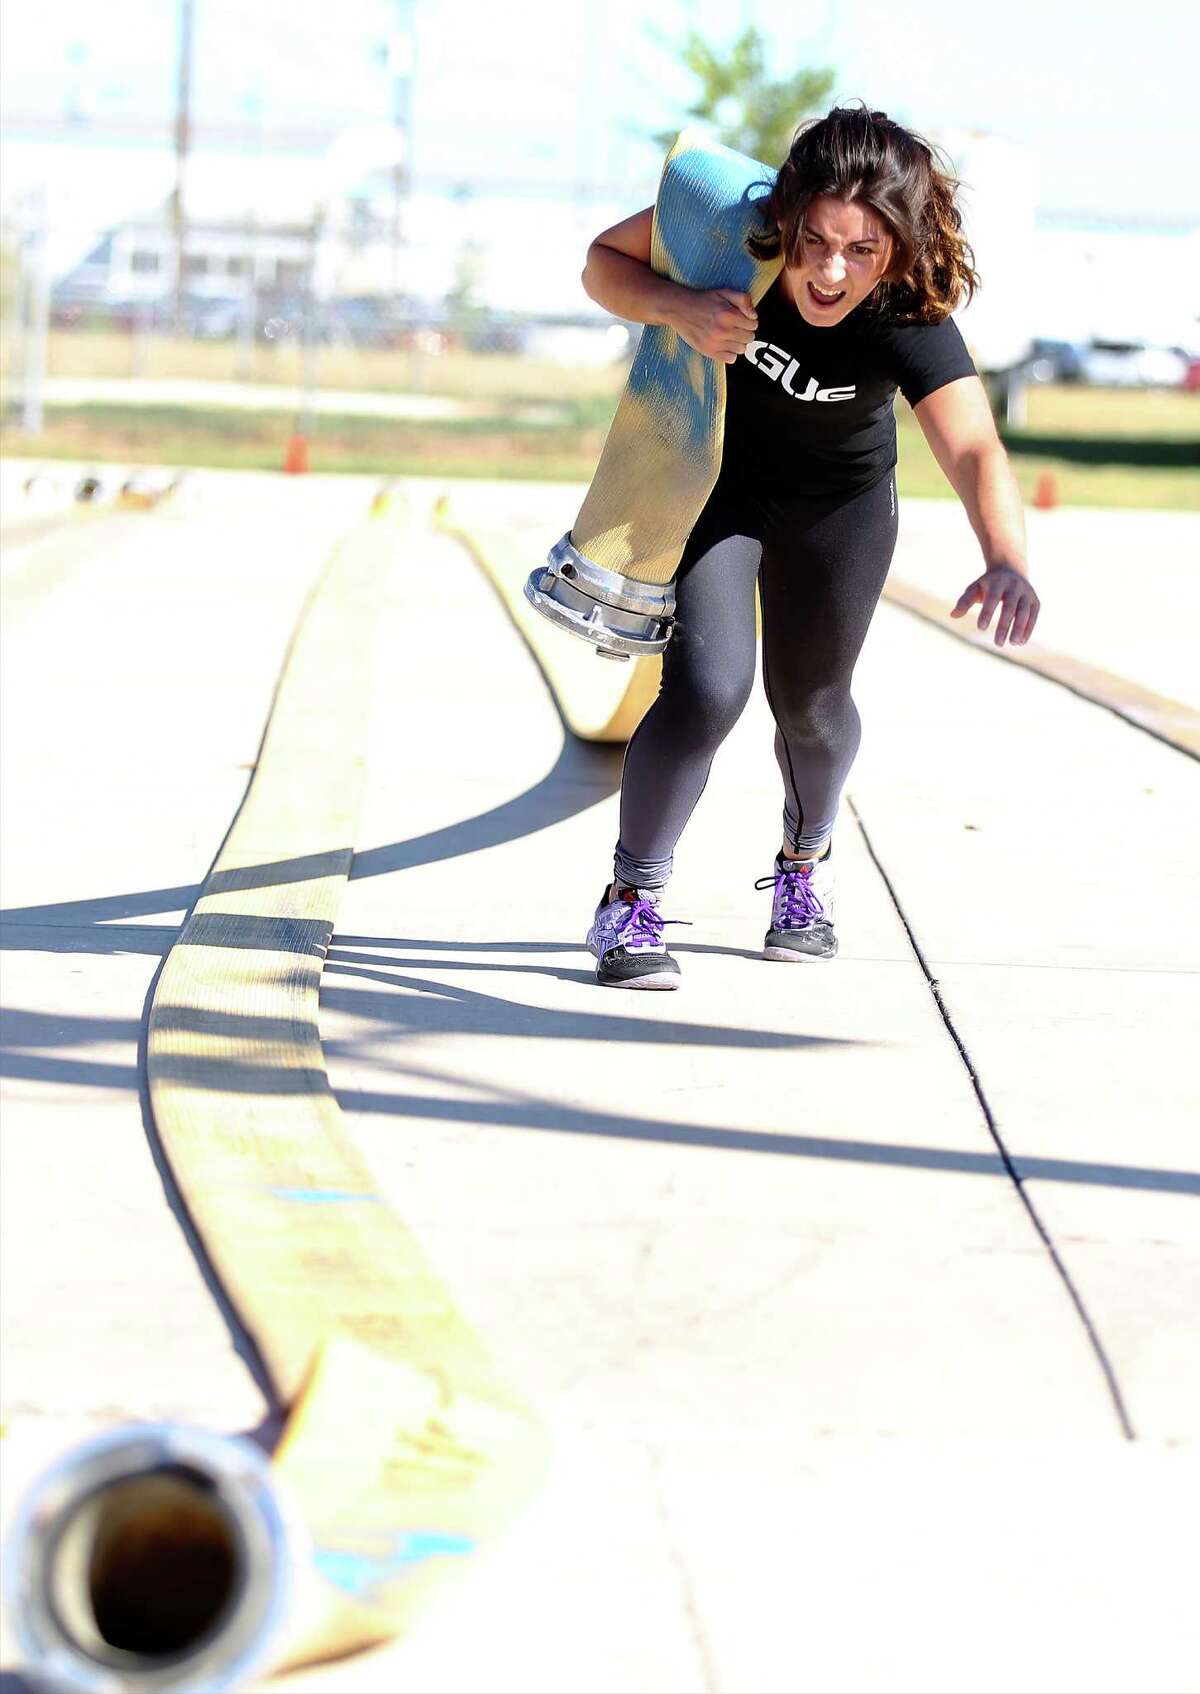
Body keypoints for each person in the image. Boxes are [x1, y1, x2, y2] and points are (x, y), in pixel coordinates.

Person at [581, 105, 1040, 990]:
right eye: (816, 240)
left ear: (898, 251)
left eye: (862, 250)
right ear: (787, 216)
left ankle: (803, 869)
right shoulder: (737, 229)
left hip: (843, 507)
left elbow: (974, 445)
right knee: (710, 689)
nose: (831, 271)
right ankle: (628, 900)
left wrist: (1006, 554)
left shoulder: (909, 310)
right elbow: (604, 263)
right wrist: (679, 307)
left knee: (815, 709)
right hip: (724, 487)